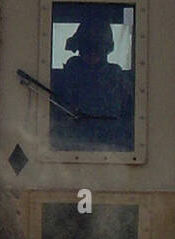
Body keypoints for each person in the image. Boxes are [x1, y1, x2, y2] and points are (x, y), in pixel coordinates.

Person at [53, 15, 134, 150]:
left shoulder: (117, 78)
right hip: (69, 143)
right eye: (86, 46)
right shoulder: (65, 77)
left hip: (113, 147)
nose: (92, 52)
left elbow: (129, 118)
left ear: (107, 49)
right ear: (79, 47)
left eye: (98, 47)